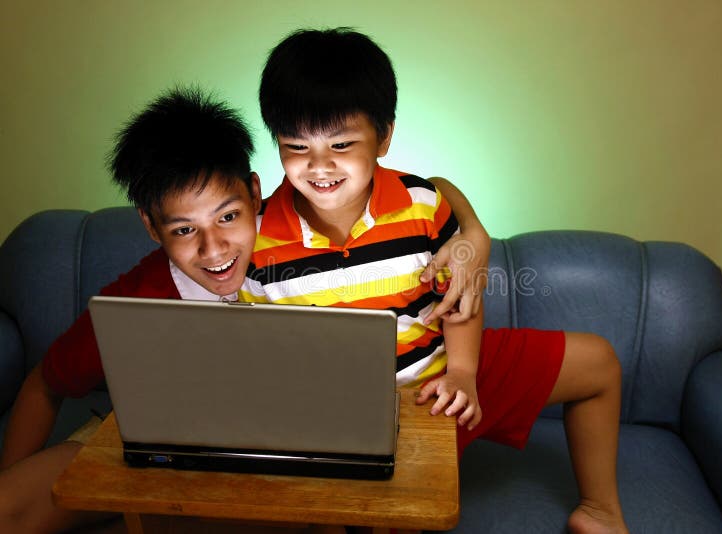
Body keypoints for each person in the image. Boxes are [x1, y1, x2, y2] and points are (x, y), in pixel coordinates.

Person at [0, 85, 488, 533]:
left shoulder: (296, 237)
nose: (214, 250)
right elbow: (46, 381)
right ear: (151, 226)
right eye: (184, 230)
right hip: (159, 451)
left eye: (228, 217)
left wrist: (472, 232)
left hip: (282, 460)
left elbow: (423, 189)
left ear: (254, 195)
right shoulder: (142, 294)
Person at [249, 28, 628, 534]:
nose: (320, 167)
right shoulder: (255, 239)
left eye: (341, 144)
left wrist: (465, 373)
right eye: (296, 146)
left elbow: (459, 297)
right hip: (346, 418)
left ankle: (601, 512)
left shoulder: (421, 203)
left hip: (443, 374)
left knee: (598, 361)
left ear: (384, 136)